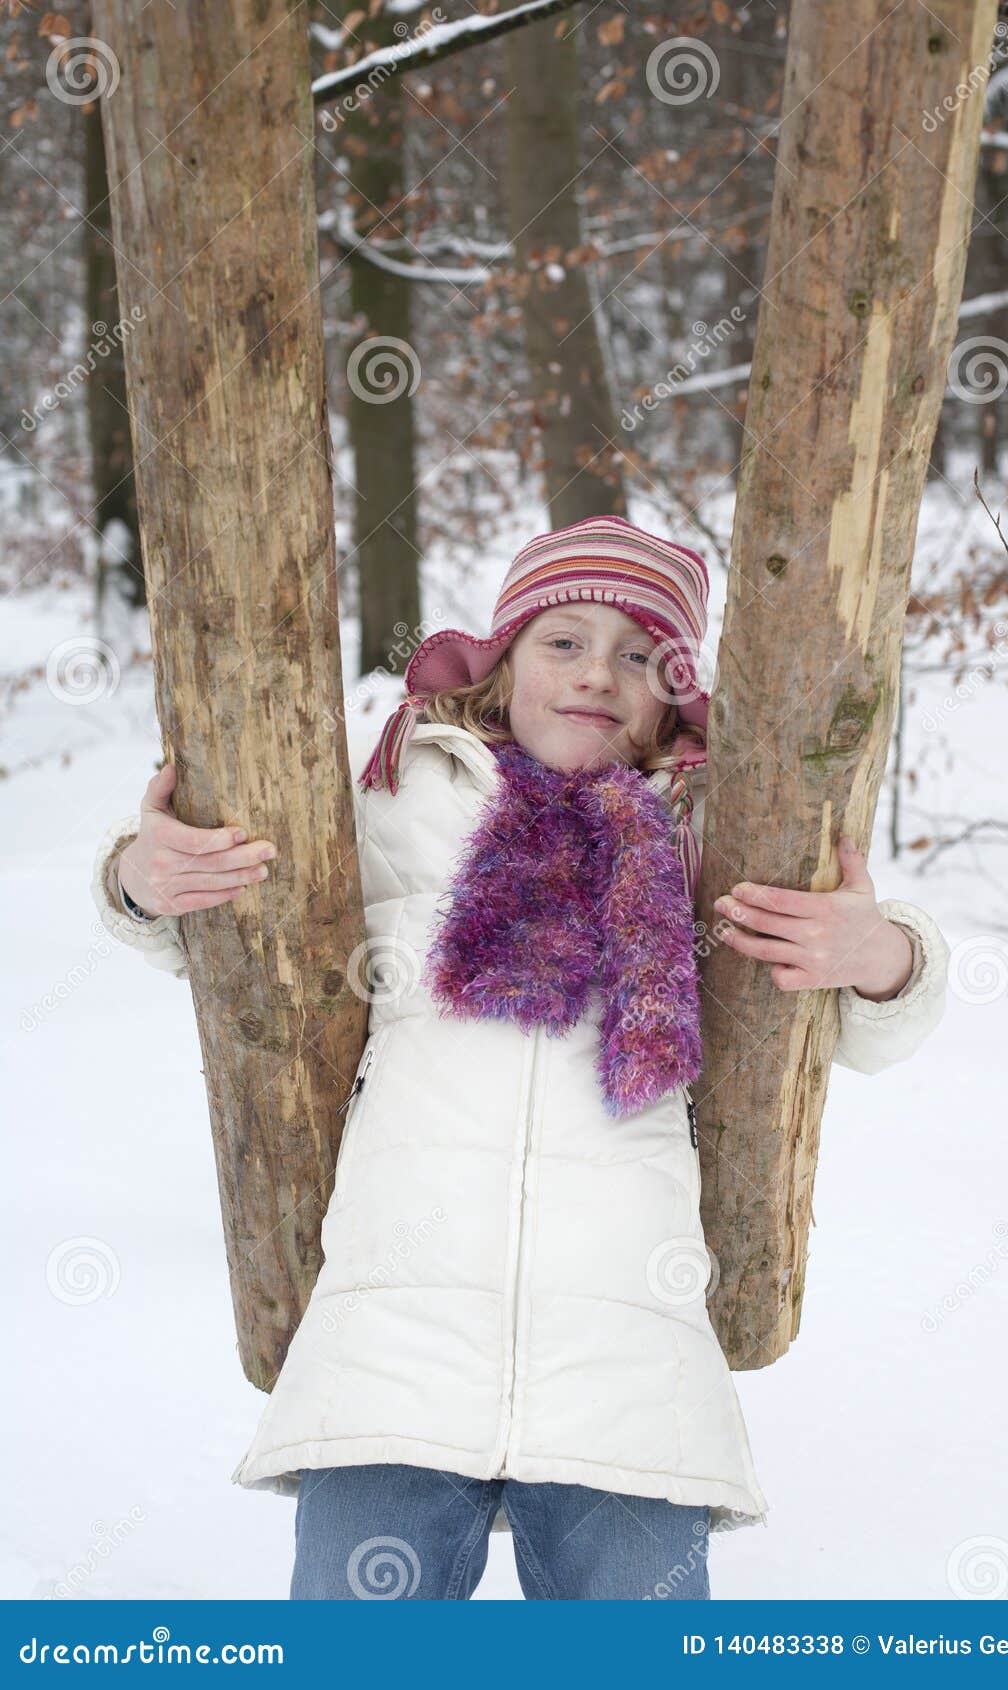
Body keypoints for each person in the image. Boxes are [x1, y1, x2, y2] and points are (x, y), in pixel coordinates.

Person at [90, 515, 949, 1601]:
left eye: (637, 654)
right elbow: (223, 937)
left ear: (672, 694)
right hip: (393, 1336)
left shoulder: (703, 839)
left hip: (626, 1354)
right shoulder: (398, 803)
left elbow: (870, 1019)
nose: (597, 675)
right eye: (561, 641)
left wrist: (878, 953)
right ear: (499, 664)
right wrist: (139, 875)